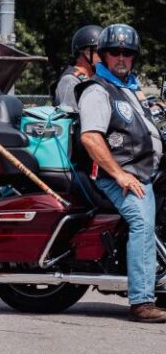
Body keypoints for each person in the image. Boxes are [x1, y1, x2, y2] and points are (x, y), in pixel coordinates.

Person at [76, 23, 166, 323]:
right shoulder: (97, 90)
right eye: (115, 52)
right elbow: (91, 137)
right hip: (117, 176)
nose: (122, 57)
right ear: (101, 55)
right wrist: (119, 175)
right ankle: (142, 301)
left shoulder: (127, 90)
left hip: (142, 172)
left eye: (128, 53)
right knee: (142, 222)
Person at [53, 25, 102, 110]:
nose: (104, 57)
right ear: (86, 52)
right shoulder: (70, 81)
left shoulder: (94, 79)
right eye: (99, 52)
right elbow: (71, 118)